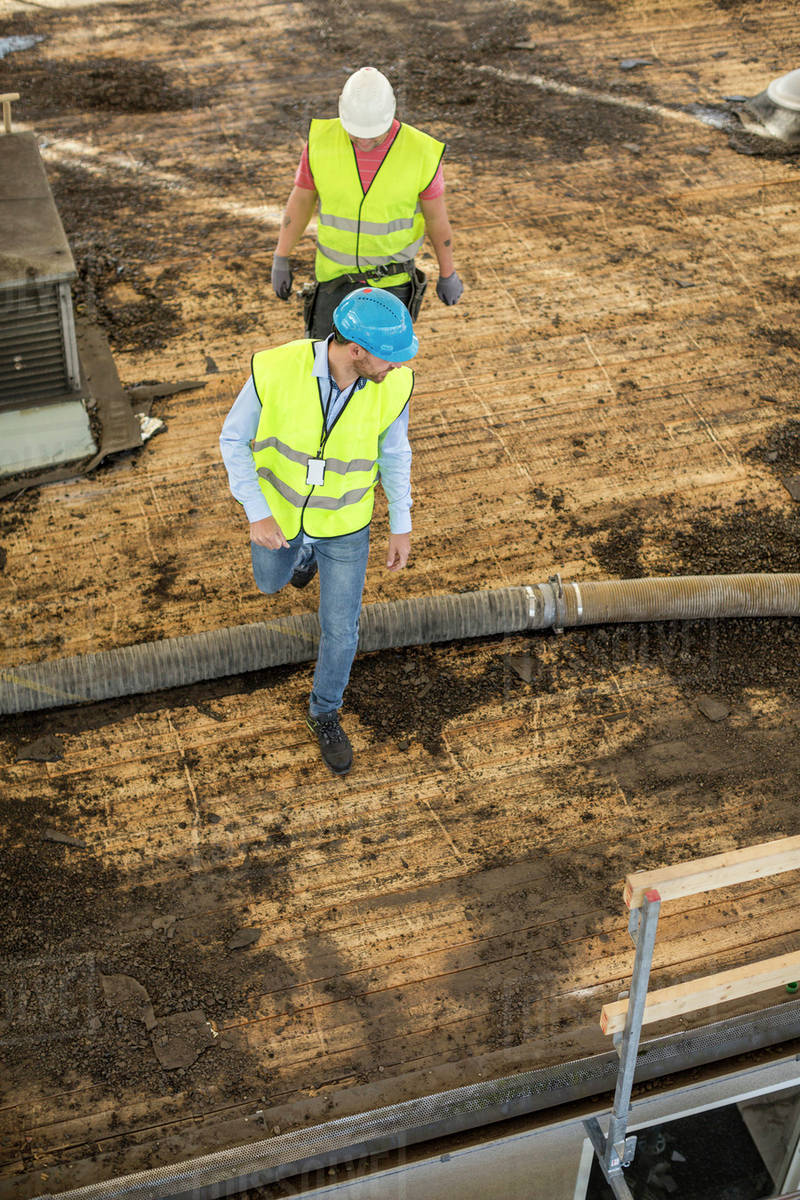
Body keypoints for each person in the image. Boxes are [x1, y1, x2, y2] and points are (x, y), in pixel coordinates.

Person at [219, 287, 418, 776]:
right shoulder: (276, 368)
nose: (396, 366)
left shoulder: (393, 385)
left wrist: (401, 522)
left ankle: (325, 711)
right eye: (388, 357)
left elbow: (395, 454)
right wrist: (257, 512)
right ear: (357, 351)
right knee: (270, 582)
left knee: (341, 629)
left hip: (346, 525)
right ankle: (302, 555)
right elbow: (233, 438)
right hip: (281, 518)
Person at [271, 66, 463, 337]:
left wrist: (447, 272)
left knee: (380, 359)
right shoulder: (320, 142)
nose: (364, 142)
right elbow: (301, 201)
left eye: (374, 135)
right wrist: (281, 256)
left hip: (392, 284)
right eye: (355, 134)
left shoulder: (421, 152)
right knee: (325, 357)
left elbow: (436, 218)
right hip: (333, 282)